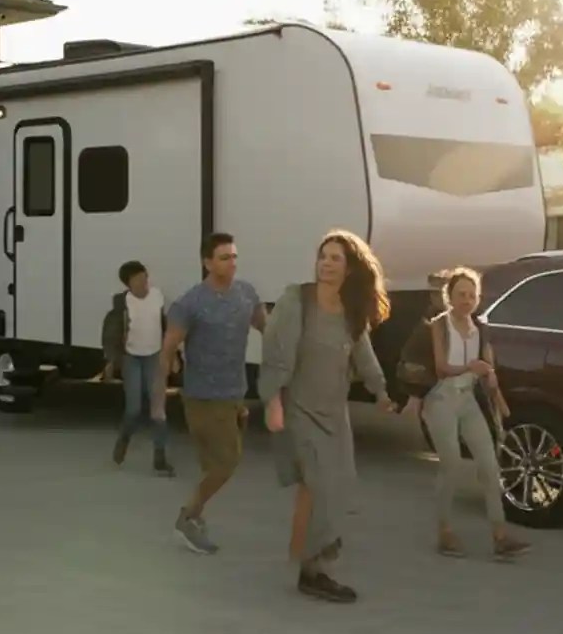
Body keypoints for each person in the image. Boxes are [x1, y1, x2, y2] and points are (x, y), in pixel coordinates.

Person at [259, 229, 395, 603]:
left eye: (336, 258)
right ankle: (312, 571)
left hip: (335, 414)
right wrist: (272, 399)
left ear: (349, 269)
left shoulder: (351, 315)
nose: (326, 263)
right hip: (300, 410)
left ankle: (315, 559)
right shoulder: (296, 300)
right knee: (321, 485)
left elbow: (364, 357)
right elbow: (275, 349)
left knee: (341, 485)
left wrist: (381, 392)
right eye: (323, 256)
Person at [152, 233, 266, 555]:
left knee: (216, 463)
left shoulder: (246, 294)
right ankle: (187, 518)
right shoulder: (191, 303)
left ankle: (195, 516)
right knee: (226, 463)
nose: (231, 263)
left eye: (234, 257)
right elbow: (168, 350)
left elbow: (267, 328)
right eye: (223, 258)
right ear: (206, 263)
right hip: (203, 397)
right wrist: (159, 400)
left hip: (235, 394)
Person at [421, 266, 531, 560]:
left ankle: (500, 535)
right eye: (461, 295)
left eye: (472, 295)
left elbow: (487, 369)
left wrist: (491, 380)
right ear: (449, 297)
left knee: (489, 464)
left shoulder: (480, 329)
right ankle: (445, 531)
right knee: (452, 464)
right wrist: (473, 367)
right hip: (442, 399)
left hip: (468, 398)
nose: (467, 300)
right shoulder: (440, 325)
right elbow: (441, 367)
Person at [101, 260, 178, 477]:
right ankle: (124, 439)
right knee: (133, 409)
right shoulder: (122, 304)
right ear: (129, 283)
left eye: (145, 277)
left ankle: (160, 459)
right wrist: (112, 361)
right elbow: (111, 336)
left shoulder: (157, 296)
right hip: (132, 358)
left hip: (154, 356)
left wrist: (173, 354)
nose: (144, 282)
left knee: (158, 410)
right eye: (138, 279)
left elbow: (167, 327)